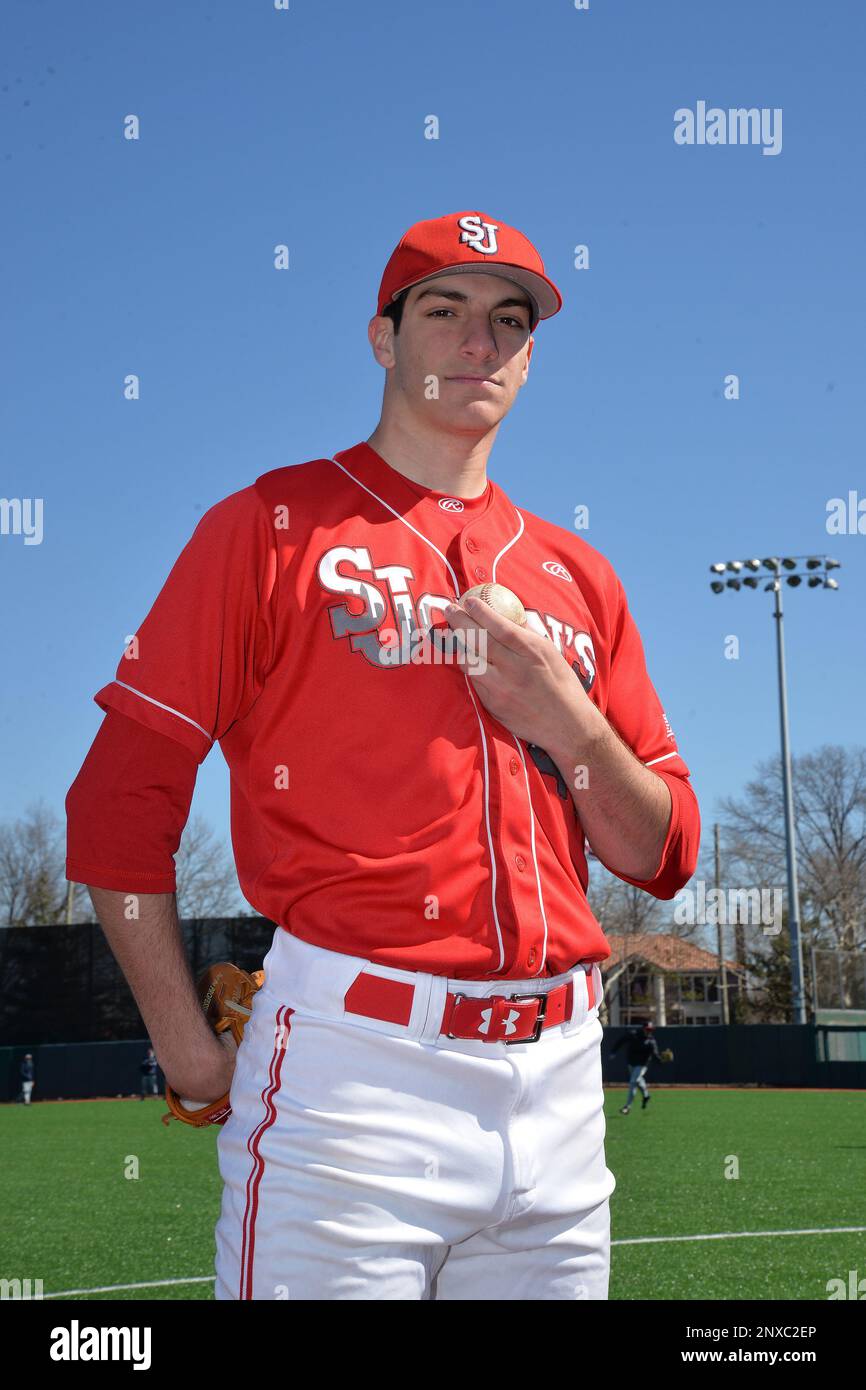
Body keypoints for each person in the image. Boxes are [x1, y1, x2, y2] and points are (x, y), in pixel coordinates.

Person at [65, 210, 700, 1301]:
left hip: (559, 1088)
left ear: (529, 356)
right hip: (351, 1079)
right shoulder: (269, 526)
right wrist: (182, 1044)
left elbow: (667, 852)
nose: (476, 343)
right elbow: (117, 804)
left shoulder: (578, 573)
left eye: (508, 321)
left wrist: (565, 717)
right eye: (443, 311)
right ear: (381, 338)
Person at [610, 1021, 662, 1113]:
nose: (649, 1031)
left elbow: (655, 1055)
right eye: (647, 1029)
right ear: (643, 1029)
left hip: (642, 1065)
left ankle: (627, 1107)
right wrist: (614, 1051)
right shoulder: (634, 1034)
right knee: (638, 1080)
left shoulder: (651, 1041)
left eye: (651, 1030)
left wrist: (661, 1059)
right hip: (631, 1063)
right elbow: (621, 1040)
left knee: (633, 1082)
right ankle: (646, 1095)